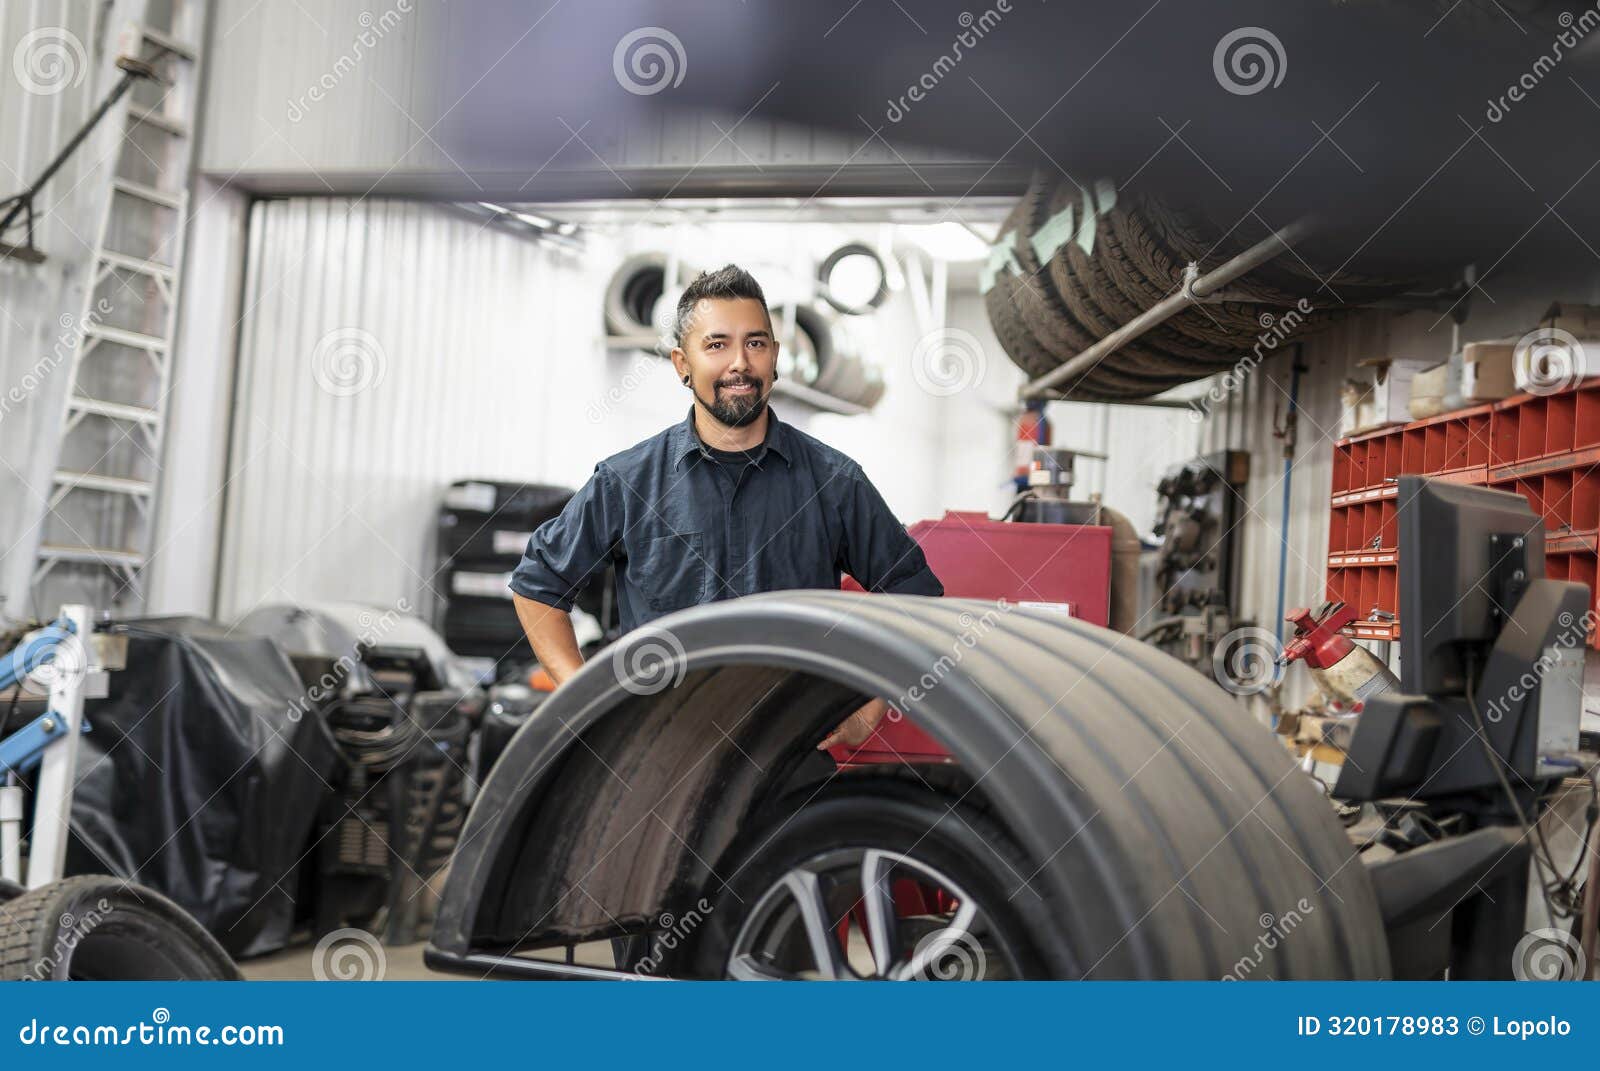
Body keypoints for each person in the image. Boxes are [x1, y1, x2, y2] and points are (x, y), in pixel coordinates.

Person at [509, 263, 943, 750]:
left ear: (775, 358)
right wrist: (582, 697)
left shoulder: (834, 482)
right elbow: (539, 584)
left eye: (755, 343)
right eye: (717, 345)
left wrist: (870, 704)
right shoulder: (626, 482)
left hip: (789, 755)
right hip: (658, 751)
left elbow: (915, 596)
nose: (740, 362)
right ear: (682, 363)